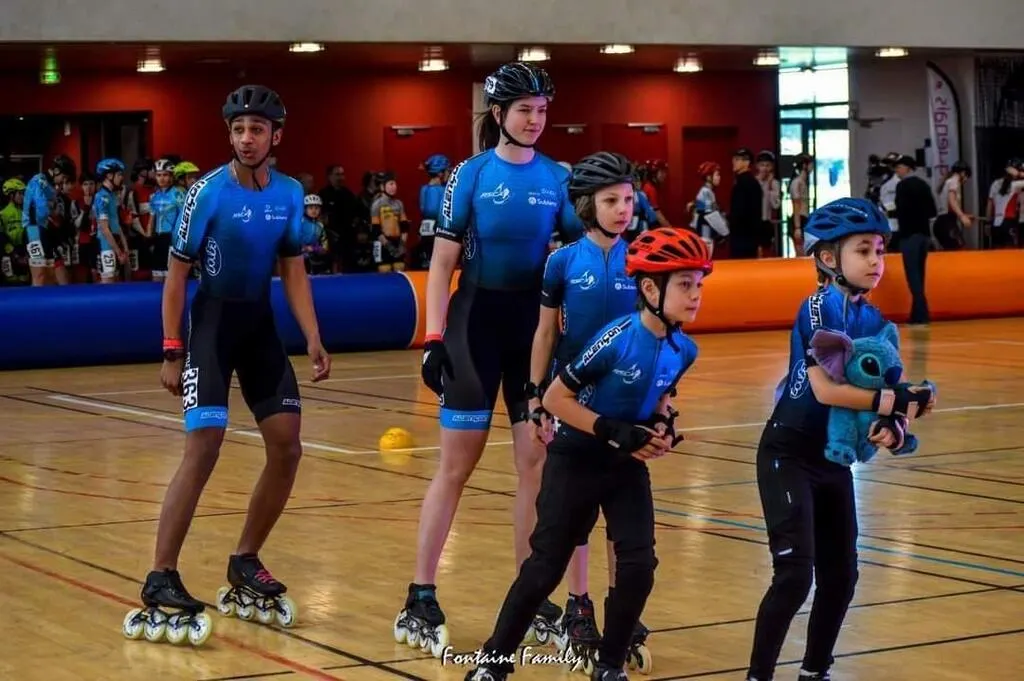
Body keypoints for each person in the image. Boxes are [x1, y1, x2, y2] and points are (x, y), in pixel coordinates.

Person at [122, 84, 332, 648]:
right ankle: (160, 574)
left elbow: (292, 270)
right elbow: (176, 274)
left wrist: (312, 336)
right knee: (205, 445)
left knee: (288, 445)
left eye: (257, 130)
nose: (246, 139)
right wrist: (172, 348)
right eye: (238, 130)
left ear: (275, 136)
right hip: (210, 328)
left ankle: (245, 560)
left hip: (259, 328)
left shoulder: (289, 193)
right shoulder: (206, 194)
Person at [394, 61, 583, 658]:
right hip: (474, 327)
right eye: (524, 110)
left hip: (532, 328)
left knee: (536, 464)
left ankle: (531, 590)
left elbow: (580, 259)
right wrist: (432, 337)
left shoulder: (559, 177)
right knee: (457, 466)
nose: (535, 120)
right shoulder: (469, 176)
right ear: (498, 114)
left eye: (543, 110)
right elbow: (443, 264)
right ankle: (420, 591)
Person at [462, 227, 708, 681]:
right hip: (577, 456)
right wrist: (613, 430)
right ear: (651, 289)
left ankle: (610, 665)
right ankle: (494, 661)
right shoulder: (616, 338)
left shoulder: (684, 348)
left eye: (700, 284)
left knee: (638, 568)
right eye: (686, 285)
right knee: (544, 569)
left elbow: (658, 398)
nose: (696, 295)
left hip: (624, 465)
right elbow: (556, 399)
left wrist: (661, 427)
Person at [746, 198, 937, 681]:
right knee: (794, 578)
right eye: (864, 251)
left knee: (842, 577)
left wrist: (897, 426)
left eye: (879, 251)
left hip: (831, 459)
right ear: (829, 259)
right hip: (787, 451)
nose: (877, 261)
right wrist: (891, 405)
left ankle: (815, 671)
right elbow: (825, 388)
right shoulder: (815, 306)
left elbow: (888, 389)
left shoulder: (874, 321)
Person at [525, 151, 654, 668]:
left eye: (628, 199)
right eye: (611, 201)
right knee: (575, 516)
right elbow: (544, 331)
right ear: (585, 205)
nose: (623, 209)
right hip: (571, 401)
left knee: (622, 515)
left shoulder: (643, 257)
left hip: (626, 404)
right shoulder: (561, 262)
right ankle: (578, 602)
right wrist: (535, 396)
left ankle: (618, 602)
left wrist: (662, 401)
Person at [893, 156, 937, 326]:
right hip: (924, 235)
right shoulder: (924, 185)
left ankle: (922, 313)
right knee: (920, 274)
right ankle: (916, 314)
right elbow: (932, 210)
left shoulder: (902, 186)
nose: (897, 170)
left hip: (909, 235)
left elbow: (901, 210)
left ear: (908, 168)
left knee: (912, 276)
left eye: (899, 167)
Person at [21, 154, 76, 286]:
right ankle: (33, 305)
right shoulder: (39, 181)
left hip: (45, 230)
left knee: (54, 275)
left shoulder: (52, 186)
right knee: (39, 275)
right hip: (33, 230)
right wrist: (54, 213)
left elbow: (55, 214)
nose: (63, 182)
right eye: (63, 178)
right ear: (56, 171)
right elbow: (42, 211)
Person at [92, 158, 129, 284]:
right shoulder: (101, 196)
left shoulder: (112, 195)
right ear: (109, 175)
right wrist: (119, 251)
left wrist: (125, 247)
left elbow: (116, 223)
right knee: (107, 283)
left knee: (116, 282)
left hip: (115, 241)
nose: (121, 178)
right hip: (105, 244)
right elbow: (104, 228)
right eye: (119, 174)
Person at [148, 158, 185, 282]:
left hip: (172, 238)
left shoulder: (178, 194)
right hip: (158, 238)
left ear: (171, 176)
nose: (162, 178)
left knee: (170, 278)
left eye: (165, 175)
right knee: (156, 276)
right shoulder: (154, 196)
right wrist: (148, 238)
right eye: (159, 175)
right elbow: (151, 219)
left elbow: (184, 218)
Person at [415, 154, 450, 269]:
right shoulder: (443, 190)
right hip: (439, 231)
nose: (449, 174)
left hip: (424, 231)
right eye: (447, 171)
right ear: (440, 173)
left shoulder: (424, 189)